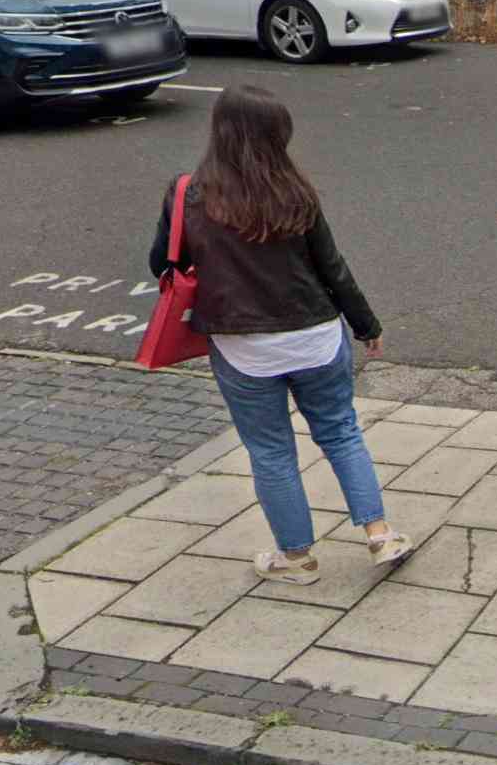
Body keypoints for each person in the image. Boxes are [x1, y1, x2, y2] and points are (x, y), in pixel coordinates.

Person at [149, 84, 409, 584]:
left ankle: (296, 559)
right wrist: (366, 325)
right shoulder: (296, 193)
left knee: (270, 451)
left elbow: (162, 263)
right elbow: (333, 268)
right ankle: (380, 535)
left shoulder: (189, 194)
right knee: (340, 431)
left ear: (219, 134)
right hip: (315, 336)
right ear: (276, 137)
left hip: (242, 349)